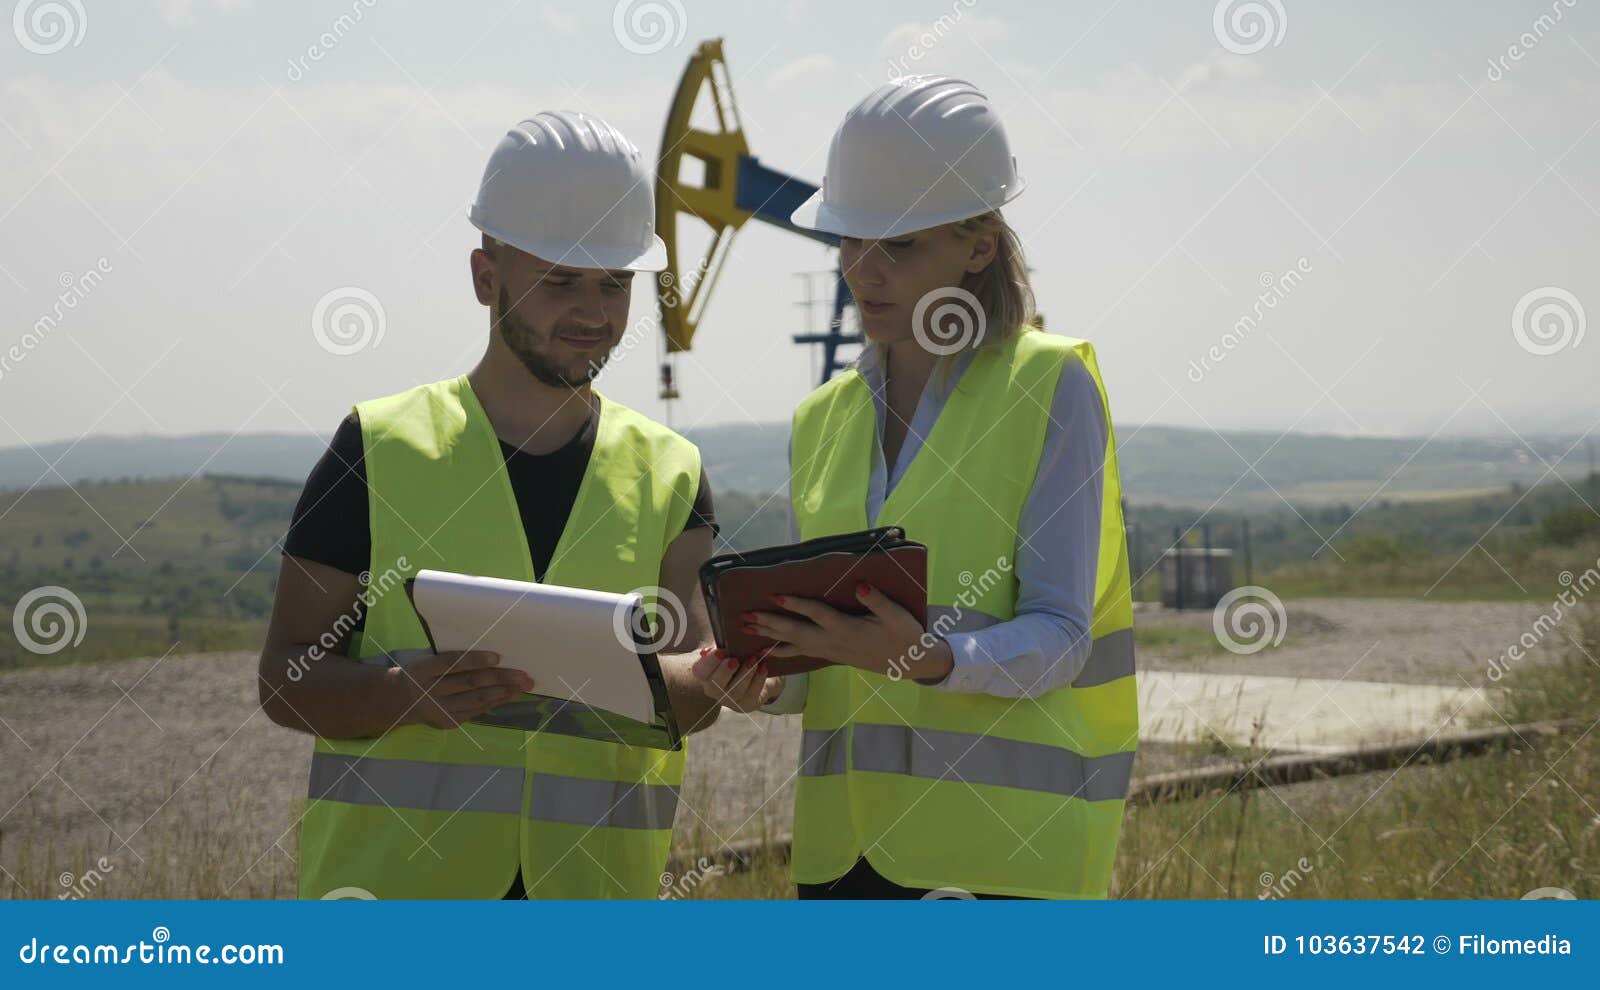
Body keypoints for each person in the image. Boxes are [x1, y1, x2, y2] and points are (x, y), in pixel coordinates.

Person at [258, 110, 775, 900]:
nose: (594, 312)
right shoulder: (377, 447)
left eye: (614, 282)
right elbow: (286, 679)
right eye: (561, 279)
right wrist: (400, 697)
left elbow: (691, 691)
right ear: (485, 275)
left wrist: (717, 681)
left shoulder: (672, 471)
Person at [693, 76, 1139, 900]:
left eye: (900, 246)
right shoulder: (821, 419)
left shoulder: (1050, 385)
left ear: (978, 245)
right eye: (851, 242)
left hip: (1003, 858)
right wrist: (764, 678)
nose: (865, 272)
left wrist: (927, 657)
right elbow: (832, 669)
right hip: (842, 858)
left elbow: (1064, 633)